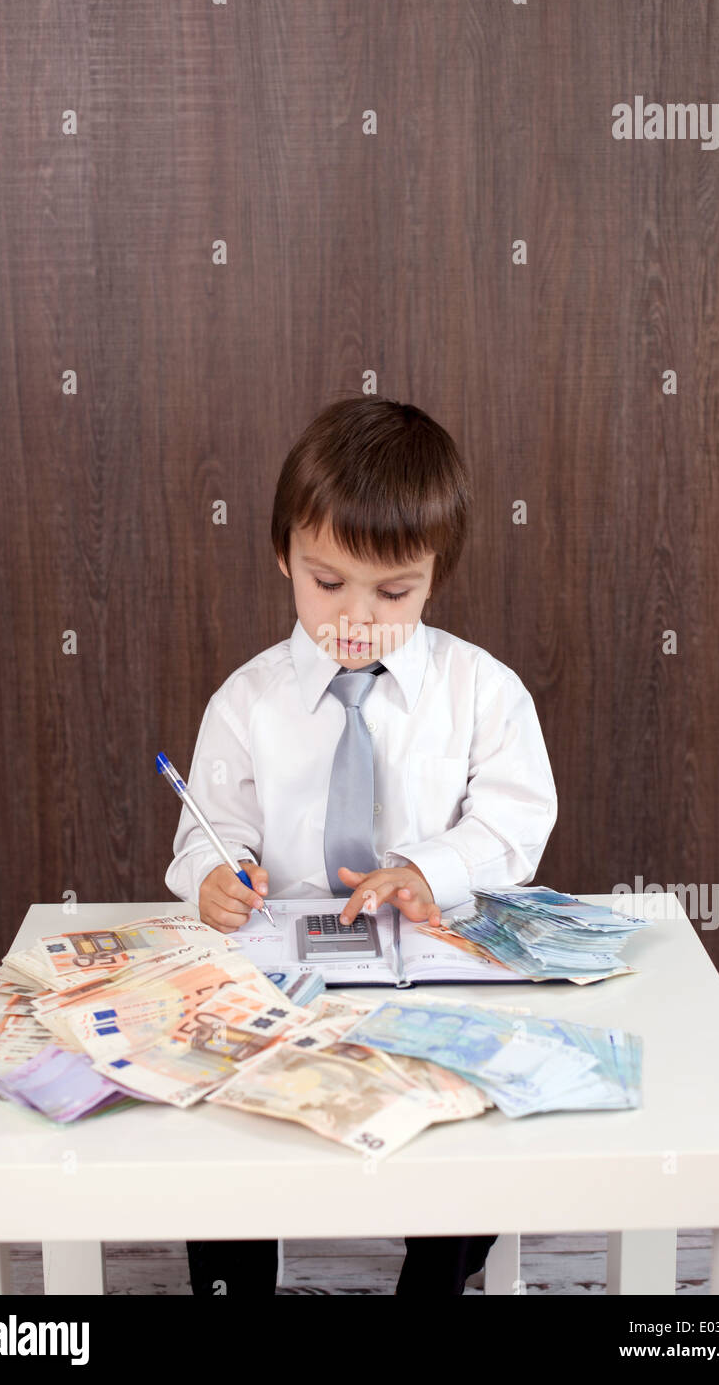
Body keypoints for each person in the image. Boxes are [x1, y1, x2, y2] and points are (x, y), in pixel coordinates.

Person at [166, 394, 558, 1295]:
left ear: (435, 577)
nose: (355, 616)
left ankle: (438, 1276)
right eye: (326, 582)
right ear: (284, 558)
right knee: (224, 1132)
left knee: (471, 1124)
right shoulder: (247, 702)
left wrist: (428, 869)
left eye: (394, 592)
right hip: (283, 976)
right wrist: (212, 880)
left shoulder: (482, 692)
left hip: (432, 963)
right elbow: (208, 830)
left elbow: (515, 823)